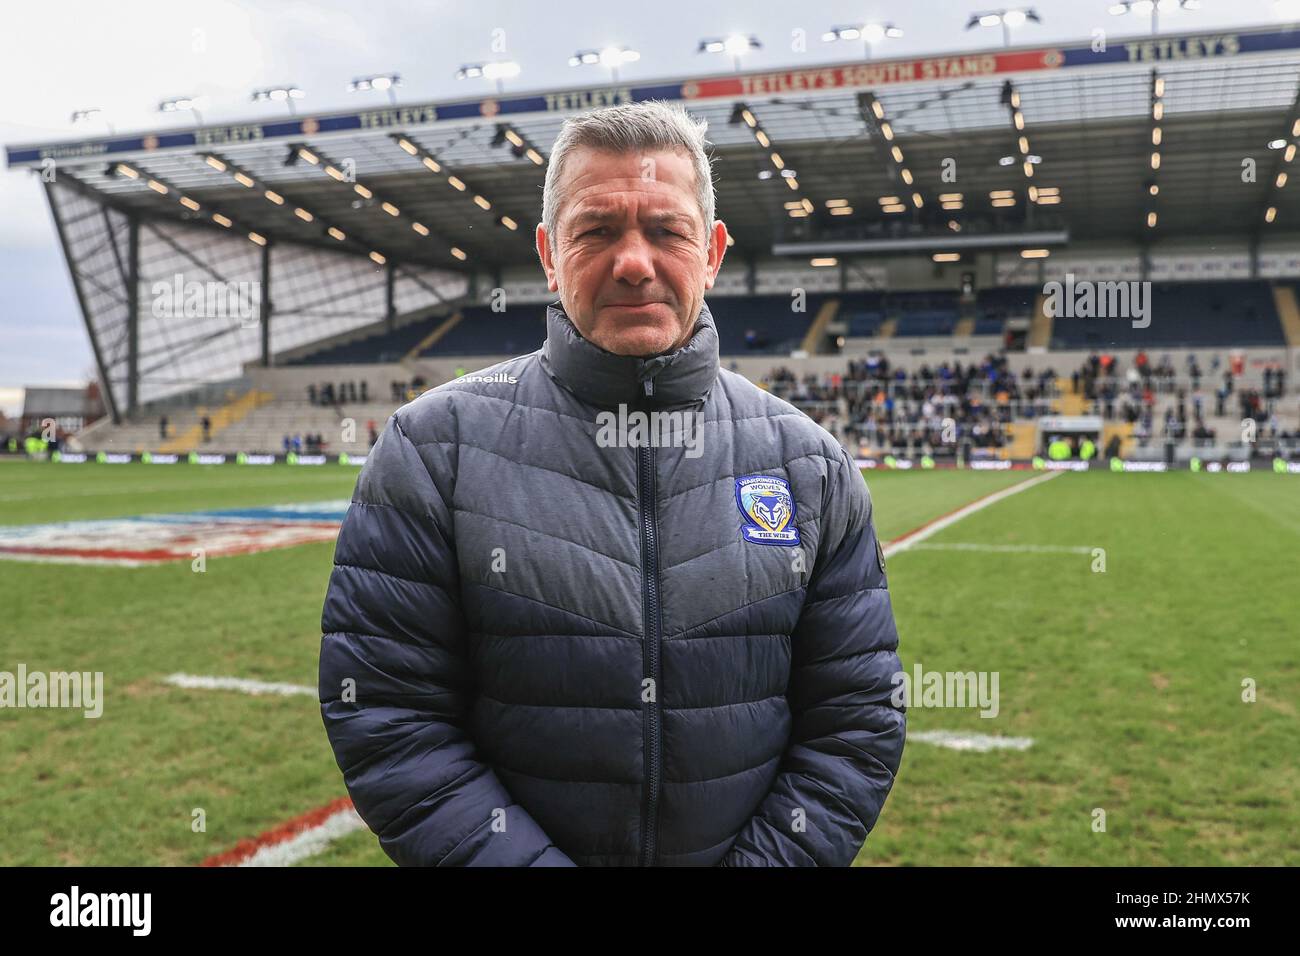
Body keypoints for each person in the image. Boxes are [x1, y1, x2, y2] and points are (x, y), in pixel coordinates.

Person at [318, 100, 905, 867]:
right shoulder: (433, 449)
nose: (634, 262)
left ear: (713, 252)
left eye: (667, 230)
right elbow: (389, 713)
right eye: (597, 230)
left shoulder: (809, 464)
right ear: (549, 253)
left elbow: (856, 720)